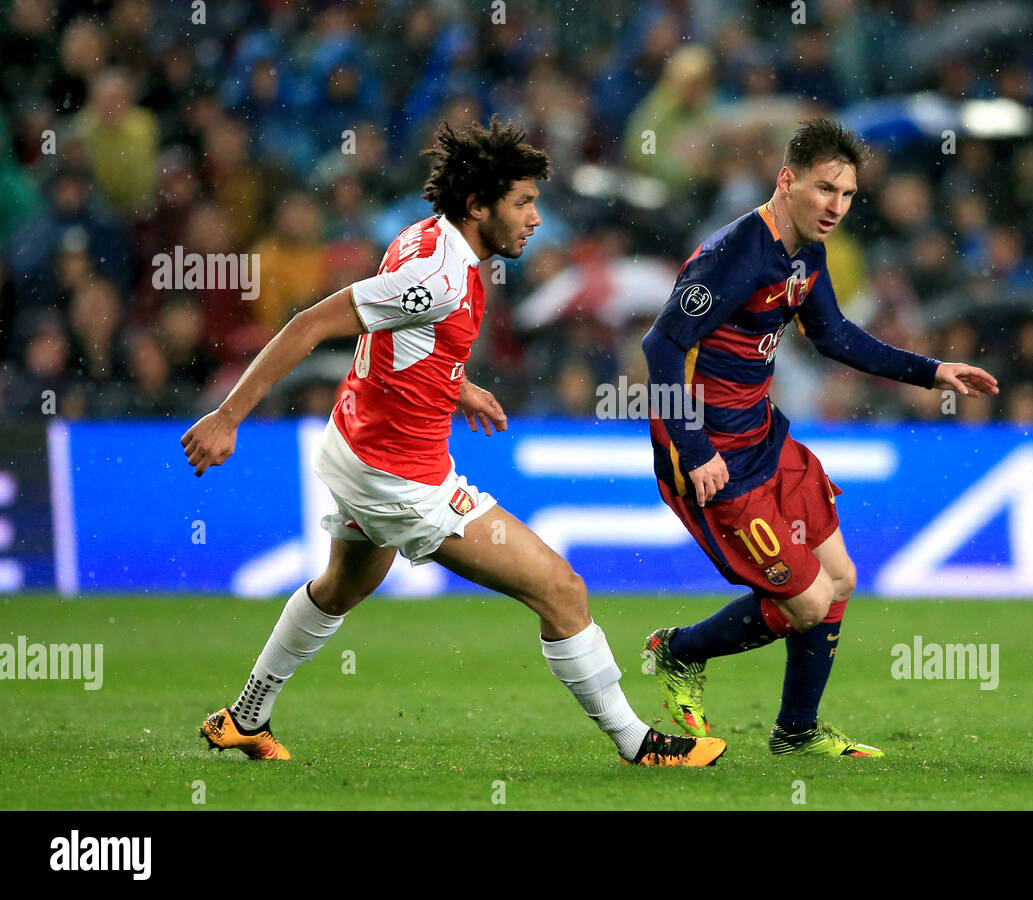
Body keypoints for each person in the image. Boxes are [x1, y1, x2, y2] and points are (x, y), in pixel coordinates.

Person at [182, 118, 726, 767]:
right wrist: (228, 415)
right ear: (478, 206)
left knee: (339, 588)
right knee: (561, 589)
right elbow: (310, 324)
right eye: (523, 203)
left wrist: (453, 383)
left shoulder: (426, 241)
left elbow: (396, 335)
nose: (535, 219)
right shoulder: (439, 277)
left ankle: (244, 717)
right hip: (401, 480)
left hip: (356, 448)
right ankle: (640, 744)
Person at [641, 118, 998, 757]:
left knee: (839, 578)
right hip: (711, 457)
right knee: (805, 600)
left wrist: (931, 370)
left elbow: (833, 336)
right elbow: (661, 344)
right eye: (825, 189)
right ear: (787, 181)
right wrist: (694, 451)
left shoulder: (806, 254)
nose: (837, 206)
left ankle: (796, 733)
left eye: (849, 194)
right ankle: (678, 651)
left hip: (765, 441)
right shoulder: (737, 254)